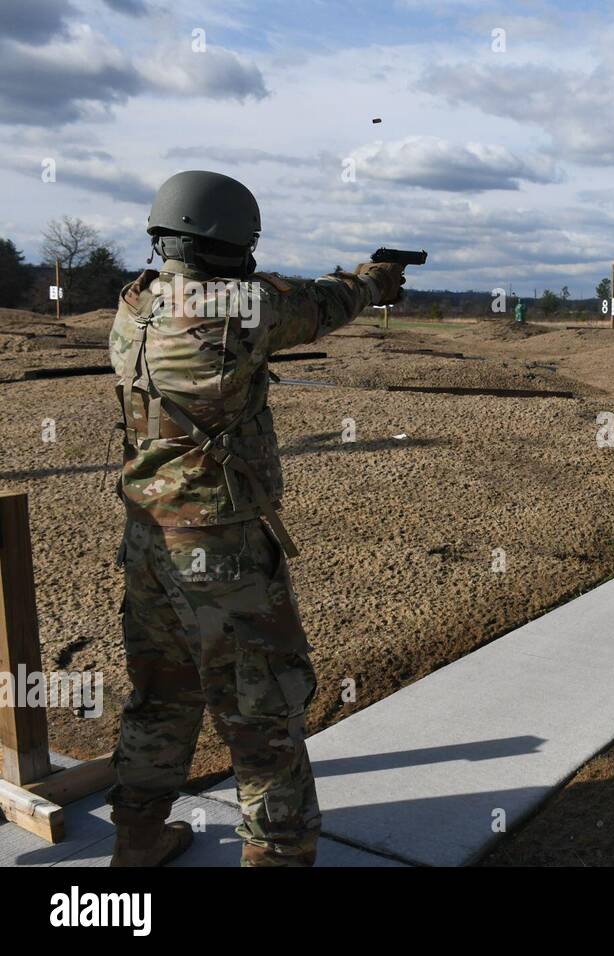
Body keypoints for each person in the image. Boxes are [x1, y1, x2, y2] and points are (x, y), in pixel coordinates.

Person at [106, 169, 406, 866]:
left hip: (148, 540)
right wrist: (372, 280)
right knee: (262, 715)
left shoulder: (133, 304)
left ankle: (138, 839)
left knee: (160, 696)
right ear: (234, 239)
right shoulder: (240, 307)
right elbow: (323, 303)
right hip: (222, 549)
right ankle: (275, 855)